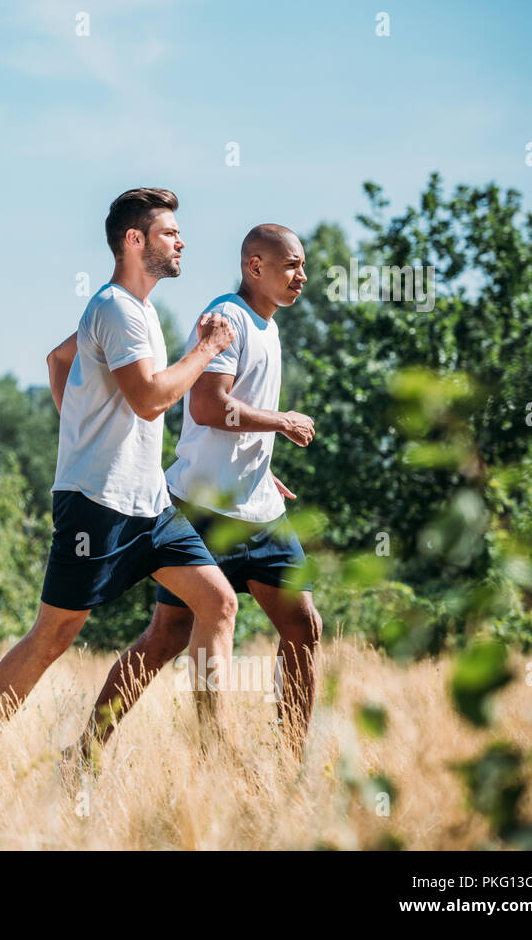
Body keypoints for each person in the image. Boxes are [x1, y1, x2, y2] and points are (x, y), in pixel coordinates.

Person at [0, 188, 240, 759]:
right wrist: (207, 348)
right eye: (169, 233)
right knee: (54, 636)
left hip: (151, 505)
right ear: (135, 240)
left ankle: (212, 754)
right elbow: (149, 400)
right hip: (96, 504)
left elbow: (58, 360)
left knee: (218, 603)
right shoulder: (116, 307)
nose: (181, 241)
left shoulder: (133, 311)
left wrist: (81, 421)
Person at [75, 224, 323, 759]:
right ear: (255, 266)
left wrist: (259, 464)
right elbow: (209, 407)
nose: (302, 276)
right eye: (292, 265)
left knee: (304, 625)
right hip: (201, 510)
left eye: (302, 266)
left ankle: (290, 759)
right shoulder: (226, 317)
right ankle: (94, 749)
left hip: (261, 509)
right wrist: (279, 422)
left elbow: (231, 420)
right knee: (166, 636)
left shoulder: (268, 325)